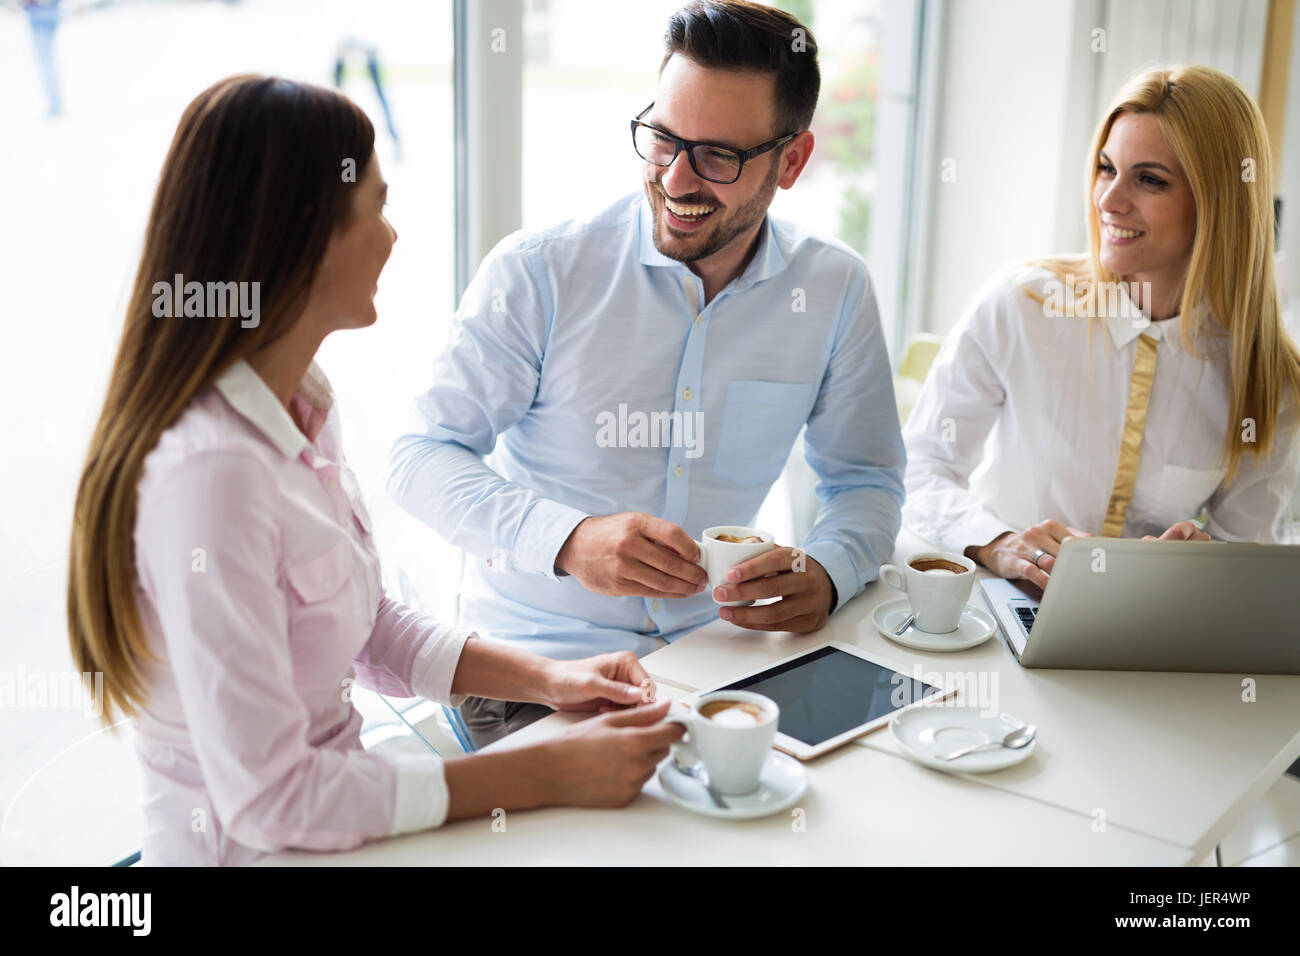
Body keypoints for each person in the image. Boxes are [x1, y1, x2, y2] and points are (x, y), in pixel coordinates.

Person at [66, 75, 682, 867]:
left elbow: (365, 627)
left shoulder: (301, 406)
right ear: (300, 237)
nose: (392, 237)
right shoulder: (211, 477)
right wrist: (541, 772)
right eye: (373, 209)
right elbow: (271, 802)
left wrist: (551, 680)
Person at [388, 0, 905, 747]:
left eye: (718, 156)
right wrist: (567, 540)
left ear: (791, 162)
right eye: (662, 139)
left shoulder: (832, 291)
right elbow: (418, 456)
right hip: (534, 673)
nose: (676, 179)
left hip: (723, 662)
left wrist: (828, 569)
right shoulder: (543, 272)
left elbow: (865, 480)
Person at [902, 65, 1300, 591]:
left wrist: (1206, 565)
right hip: (995, 608)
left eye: (1150, 179)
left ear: (1219, 201)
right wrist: (999, 543)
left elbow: (1247, 558)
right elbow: (916, 471)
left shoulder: (1266, 375)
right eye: (1106, 168)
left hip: (1148, 631)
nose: (1109, 200)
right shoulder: (1022, 303)